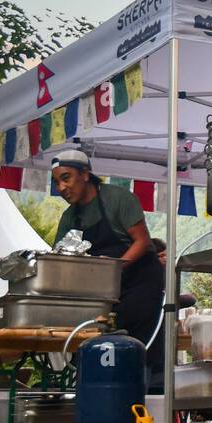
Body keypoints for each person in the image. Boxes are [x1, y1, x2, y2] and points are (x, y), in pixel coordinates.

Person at [51, 150, 166, 391]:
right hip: (101, 290)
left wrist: (113, 269)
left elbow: (142, 242)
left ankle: (148, 397)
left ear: (85, 174)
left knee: (139, 344)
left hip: (139, 282)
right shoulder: (70, 218)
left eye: (66, 178)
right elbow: (59, 260)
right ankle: (99, 396)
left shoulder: (119, 199)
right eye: (57, 182)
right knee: (95, 341)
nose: (61, 187)